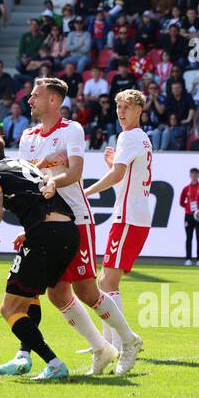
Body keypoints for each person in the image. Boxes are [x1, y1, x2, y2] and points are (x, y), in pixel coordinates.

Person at [0, 131, 138, 381]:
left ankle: (55, 362)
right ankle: (96, 349)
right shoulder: (20, 163)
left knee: (10, 307)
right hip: (65, 231)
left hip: (47, 233)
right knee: (50, 294)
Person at [83, 88, 154, 355]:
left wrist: (86, 191)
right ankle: (108, 344)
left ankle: (121, 344)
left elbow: (117, 176)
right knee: (104, 282)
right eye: (118, 107)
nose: (121, 112)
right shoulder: (143, 138)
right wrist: (115, 166)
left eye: (127, 107)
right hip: (134, 217)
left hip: (127, 218)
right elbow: (125, 175)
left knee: (107, 284)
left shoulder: (129, 136)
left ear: (139, 111)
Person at [179, 167, 199, 266]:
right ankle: (188, 259)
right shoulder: (186, 188)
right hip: (188, 216)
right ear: (190, 175)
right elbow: (181, 202)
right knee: (189, 238)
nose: (194, 176)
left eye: (196, 174)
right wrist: (187, 208)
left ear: (198, 175)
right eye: (192, 174)